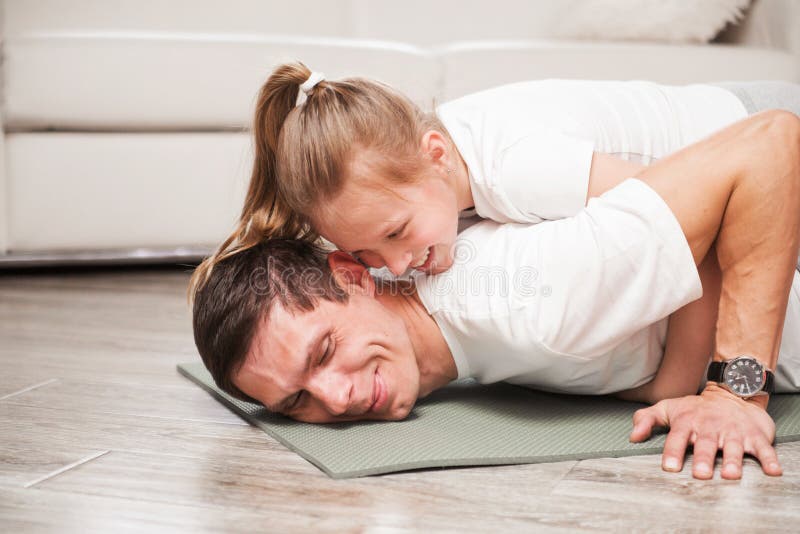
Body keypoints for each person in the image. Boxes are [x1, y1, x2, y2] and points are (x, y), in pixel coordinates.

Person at [191, 110, 800, 481]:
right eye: (297, 399)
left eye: (323, 351)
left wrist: (733, 391)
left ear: (353, 275)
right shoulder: (448, 277)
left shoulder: (531, 299)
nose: (338, 397)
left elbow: (771, 142)